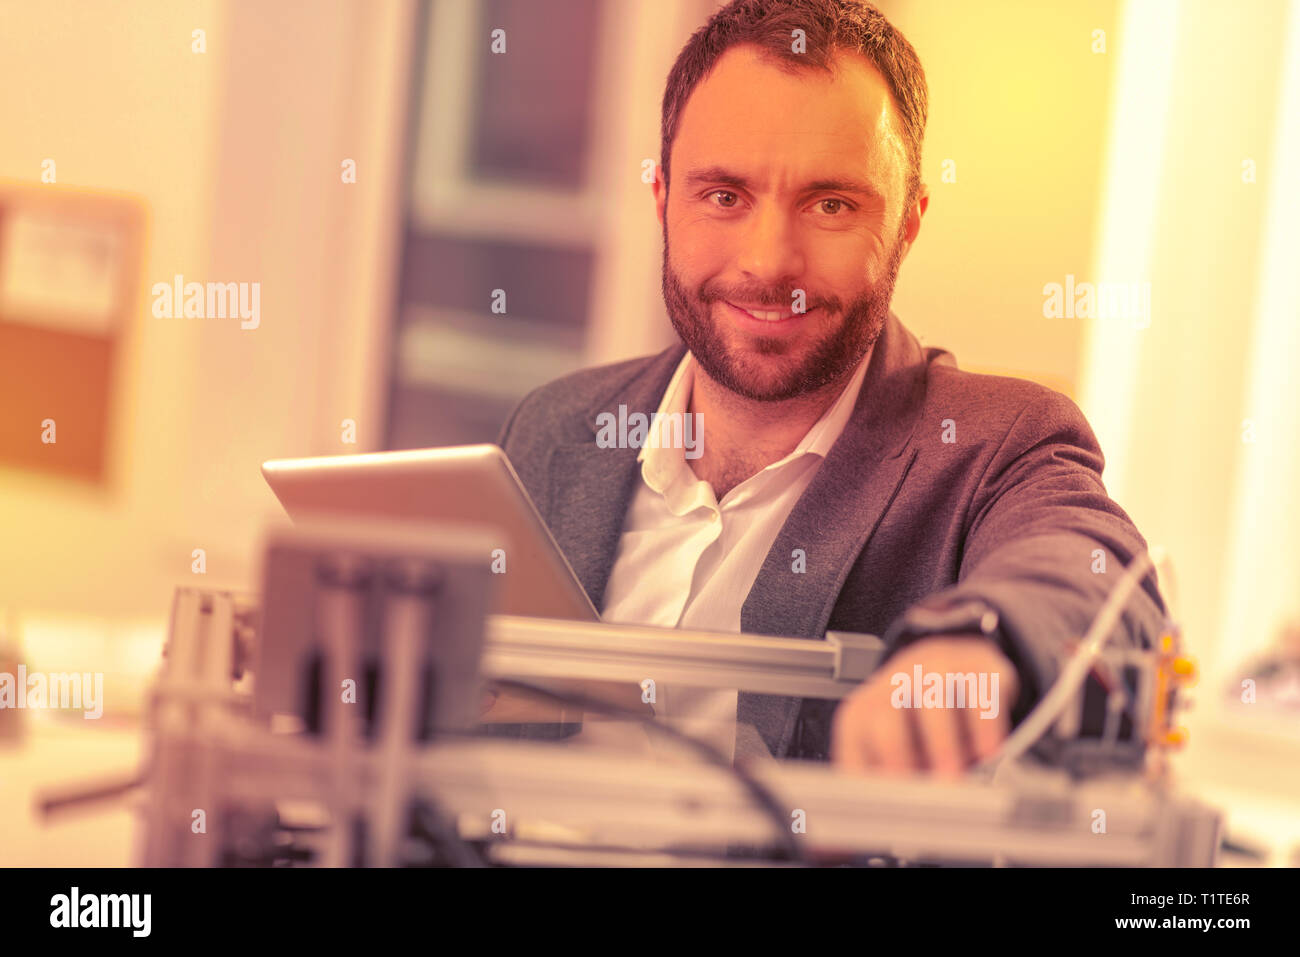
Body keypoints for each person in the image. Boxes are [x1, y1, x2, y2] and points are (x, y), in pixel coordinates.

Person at [497, 0, 1165, 776]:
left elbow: (1096, 579)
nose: (769, 262)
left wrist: (981, 640)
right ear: (662, 201)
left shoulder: (999, 446)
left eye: (831, 205)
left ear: (908, 226)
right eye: (724, 195)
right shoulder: (555, 427)